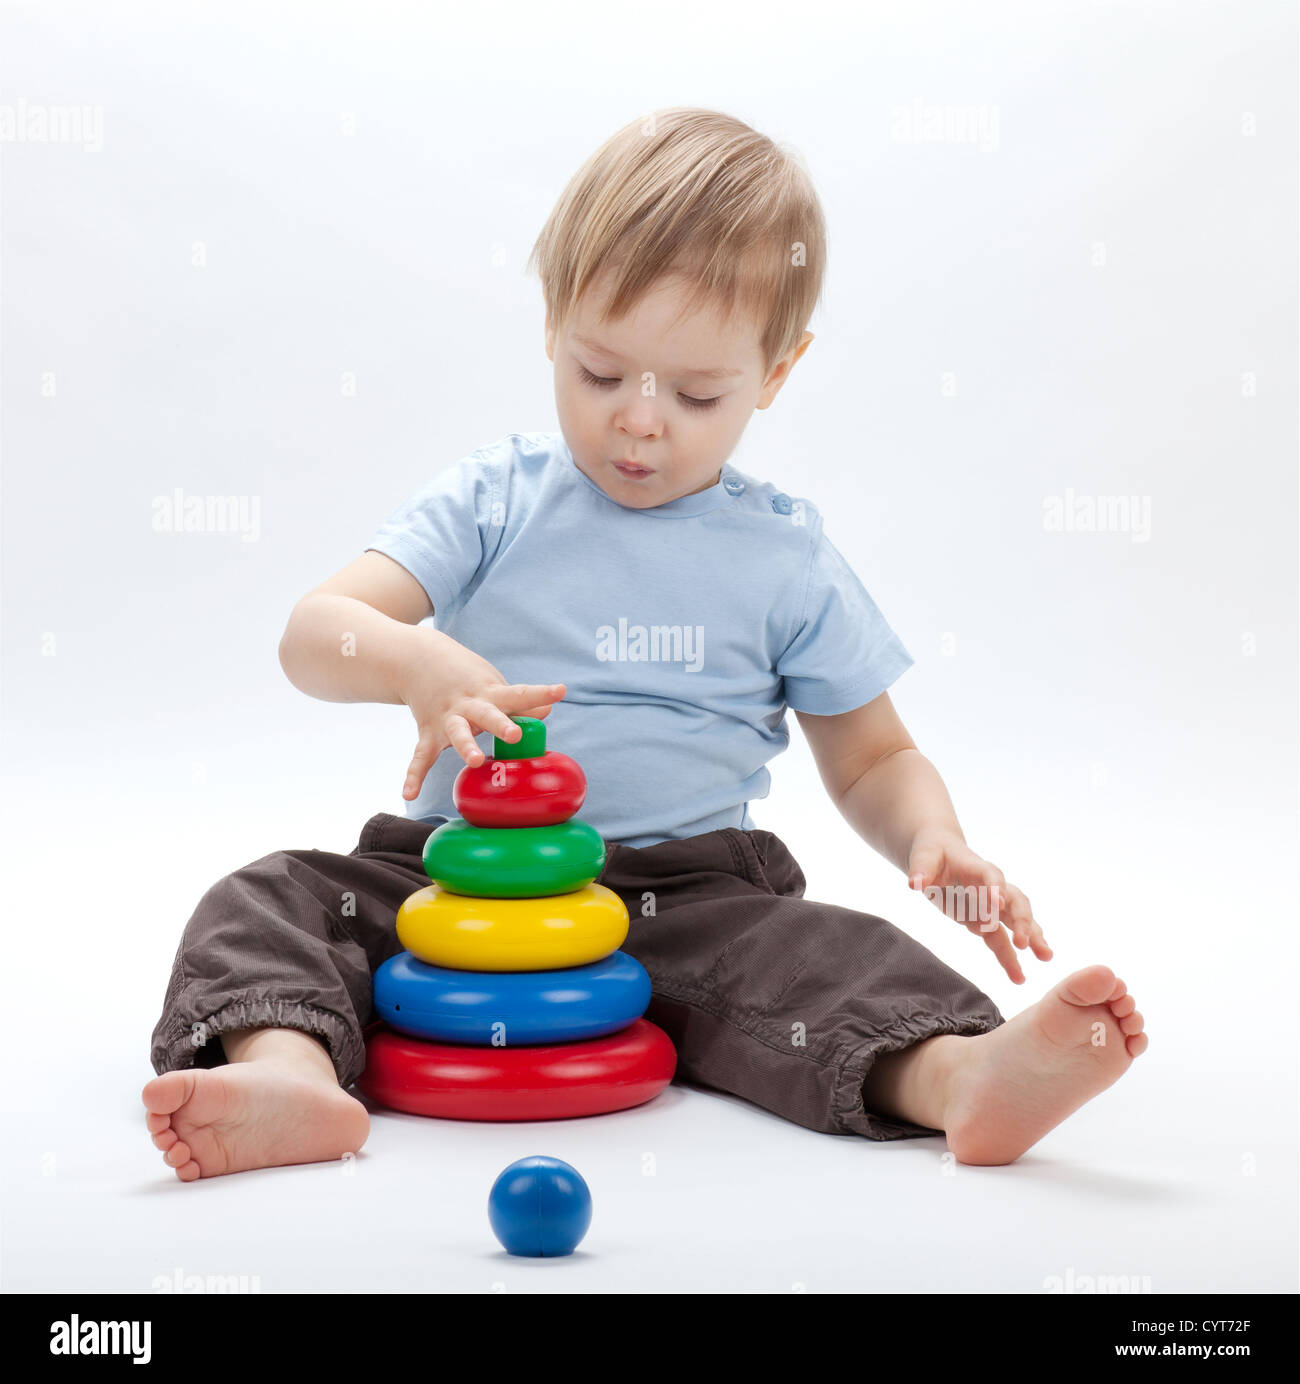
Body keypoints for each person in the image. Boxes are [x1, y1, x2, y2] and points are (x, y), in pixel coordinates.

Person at [143, 107, 1146, 1181]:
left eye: (698, 392)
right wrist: (413, 662)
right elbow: (312, 635)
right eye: (601, 373)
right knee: (267, 899)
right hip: (449, 883)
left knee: (826, 959)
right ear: (552, 326)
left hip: (688, 896)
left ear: (775, 373)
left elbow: (872, 756)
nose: (639, 420)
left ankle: (962, 1078)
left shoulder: (784, 560)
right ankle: (290, 1078)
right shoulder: (493, 500)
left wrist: (930, 840)